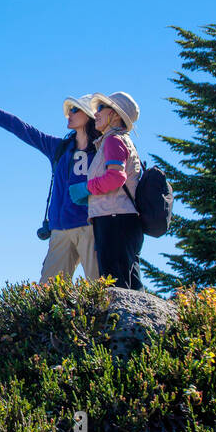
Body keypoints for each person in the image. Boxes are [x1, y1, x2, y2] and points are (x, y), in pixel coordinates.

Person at [0, 95, 99, 282]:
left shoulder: (101, 150)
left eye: (74, 110)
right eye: (68, 110)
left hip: (90, 226)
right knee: (49, 293)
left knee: (100, 286)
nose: (69, 114)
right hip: (59, 230)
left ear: (89, 116)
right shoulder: (59, 148)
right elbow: (24, 130)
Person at [68, 91, 144, 290]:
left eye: (102, 108)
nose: (97, 113)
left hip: (113, 220)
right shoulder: (118, 140)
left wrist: (86, 188)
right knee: (131, 284)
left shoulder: (113, 140)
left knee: (115, 286)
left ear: (116, 115)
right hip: (123, 219)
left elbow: (116, 177)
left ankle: (122, 321)